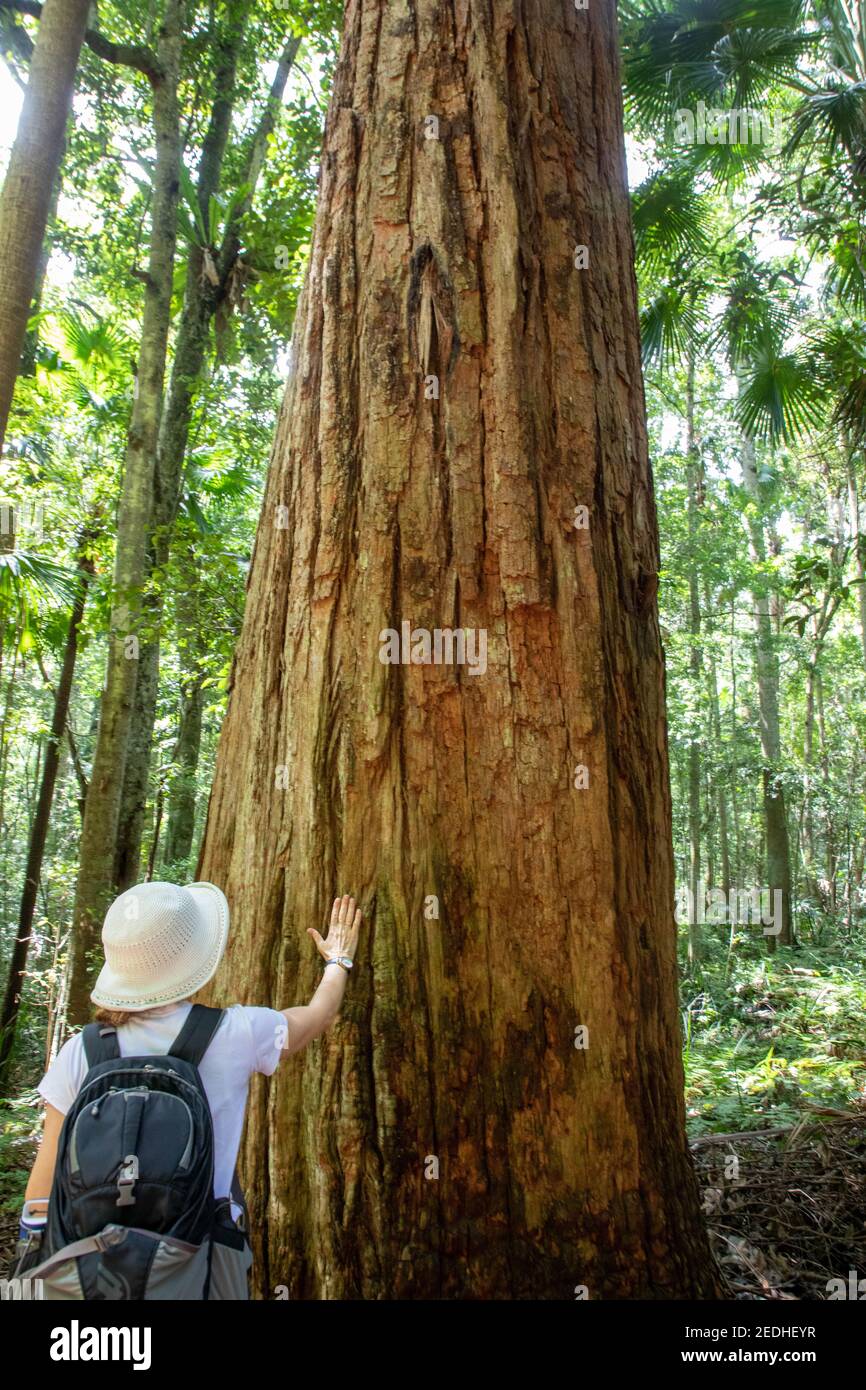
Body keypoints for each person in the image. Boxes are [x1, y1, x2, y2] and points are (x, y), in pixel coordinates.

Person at [20, 881, 362, 1296]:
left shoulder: (80, 1050)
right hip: (203, 1255)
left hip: (89, 1263)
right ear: (194, 958)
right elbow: (317, 1016)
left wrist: (30, 1262)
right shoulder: (234, 1033)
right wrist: (338, 960)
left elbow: (43, 1182)